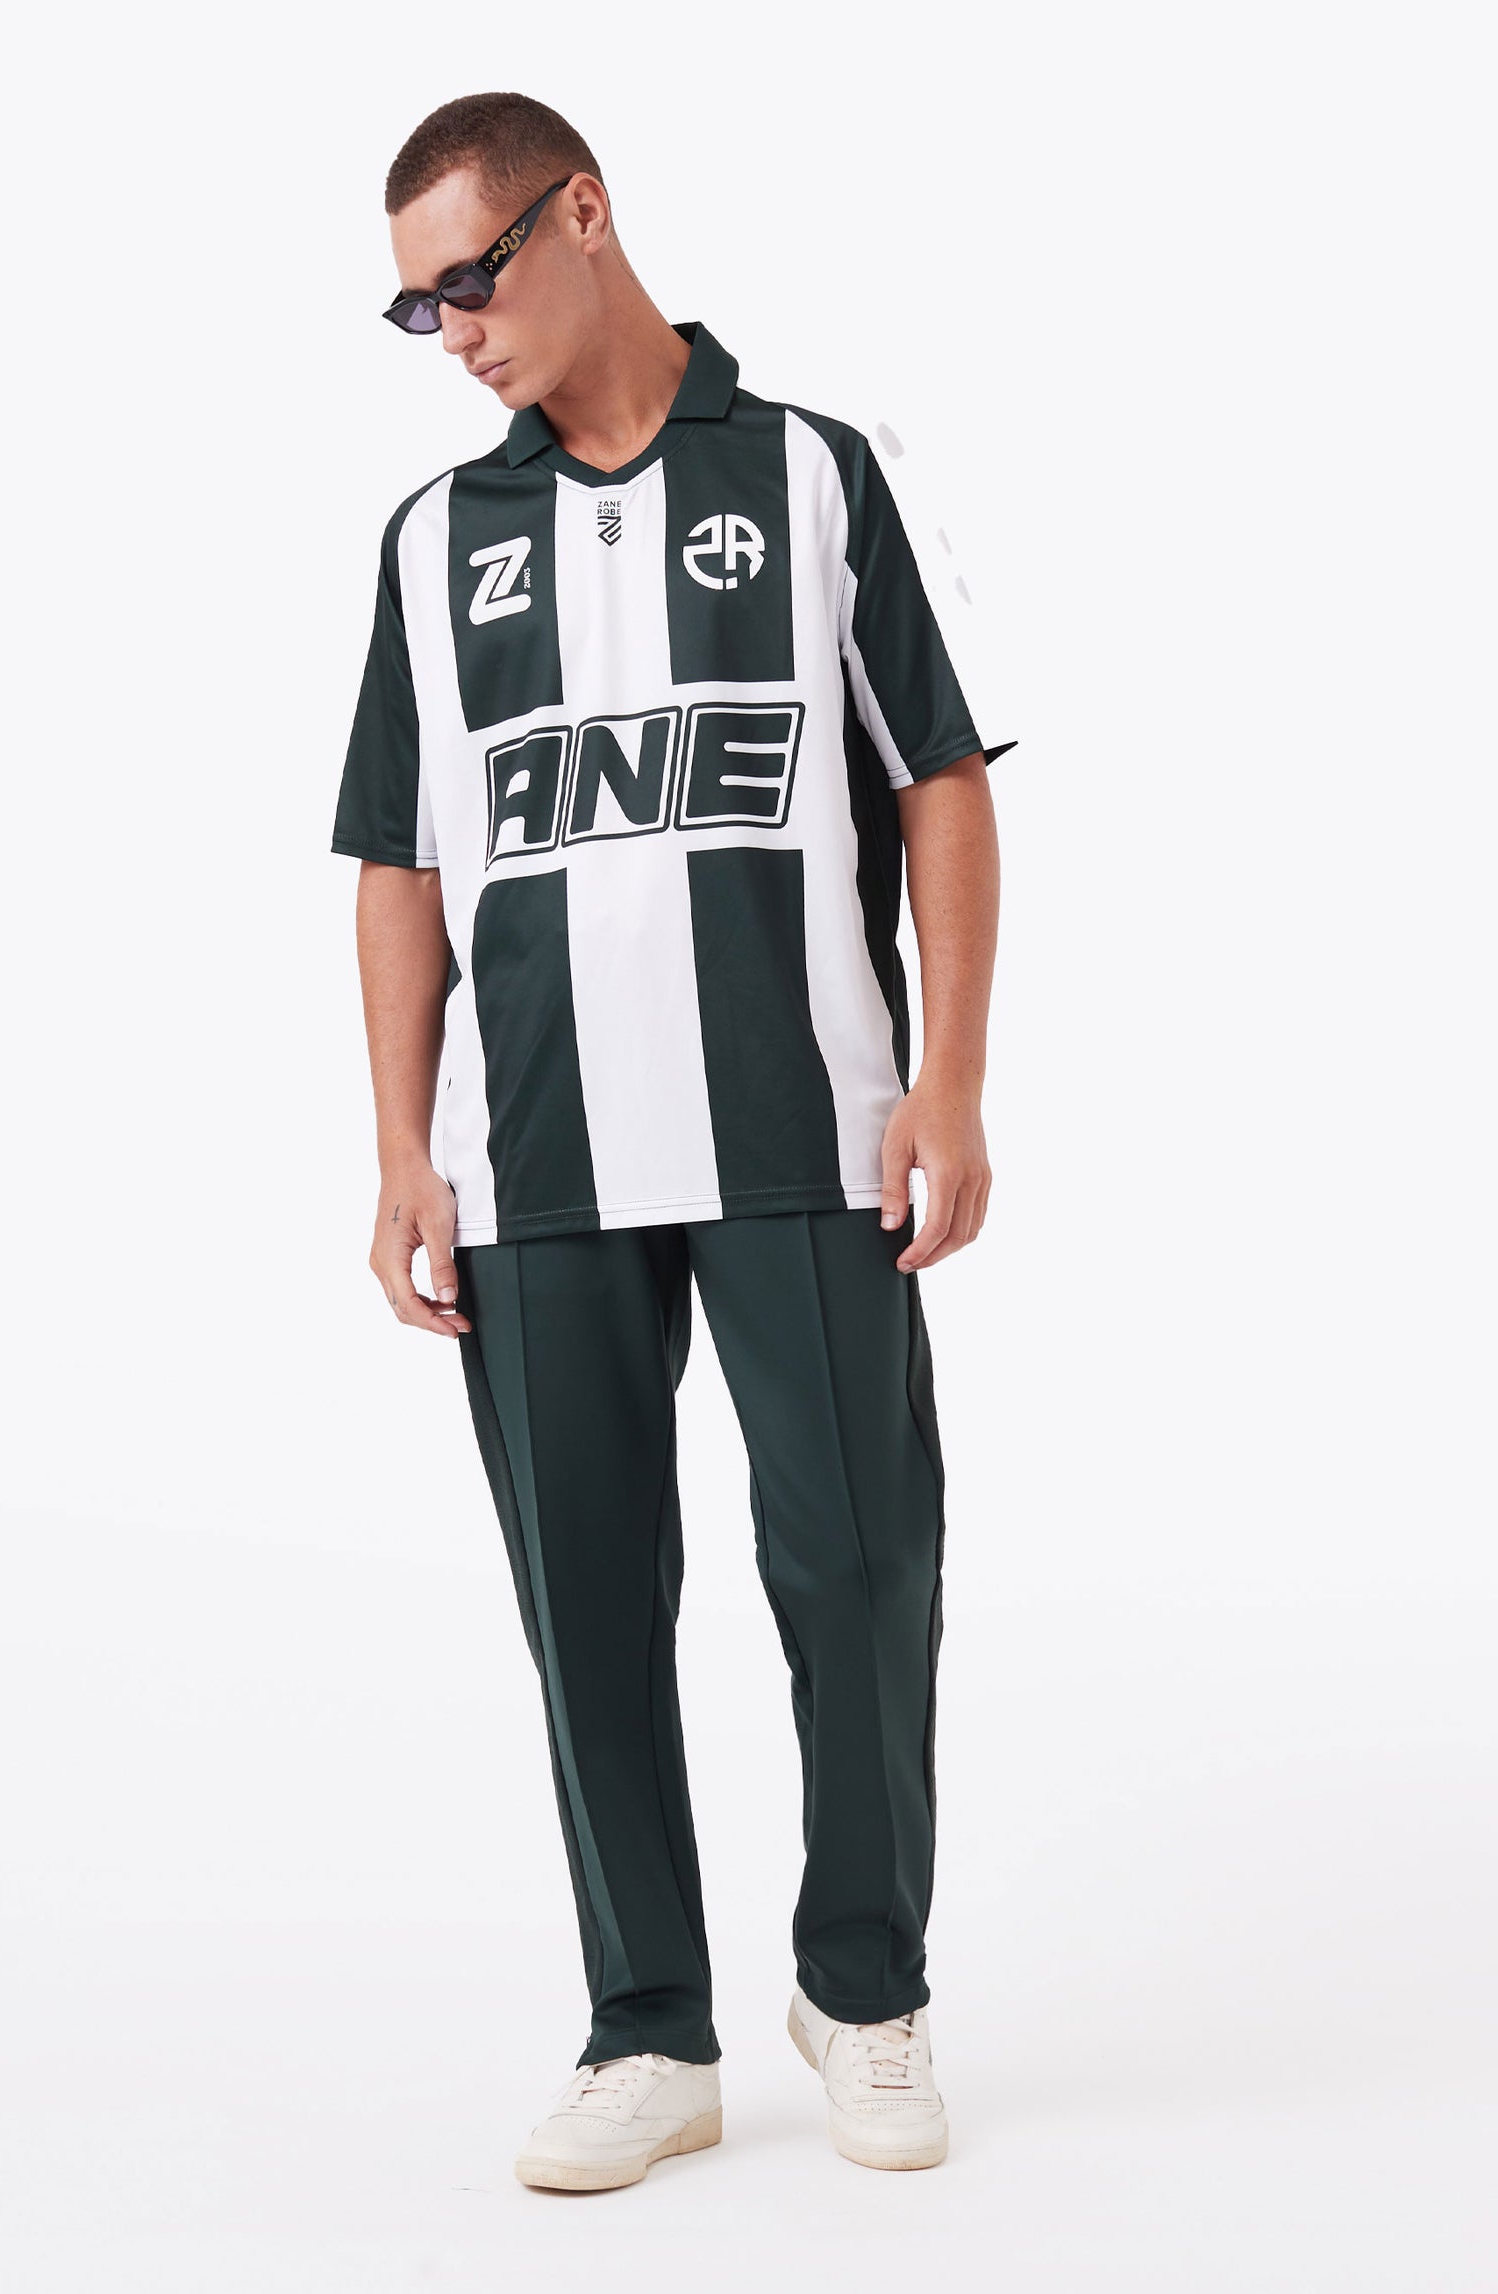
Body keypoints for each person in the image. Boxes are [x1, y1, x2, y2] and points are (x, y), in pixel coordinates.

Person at [332, 91, 1008, 2191]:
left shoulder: (811, 473)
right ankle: (647, 2025)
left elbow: (942, 779)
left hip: (805, 1128)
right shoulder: (434, 543)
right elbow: (397, 859)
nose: (452, 330)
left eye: (469, 279)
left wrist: (954, 1080)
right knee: (591, 1600)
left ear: (584, 217)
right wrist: (402, 1147)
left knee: (864, 1562)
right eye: (415, 305)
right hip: (533, 1167)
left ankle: (864, 1986)